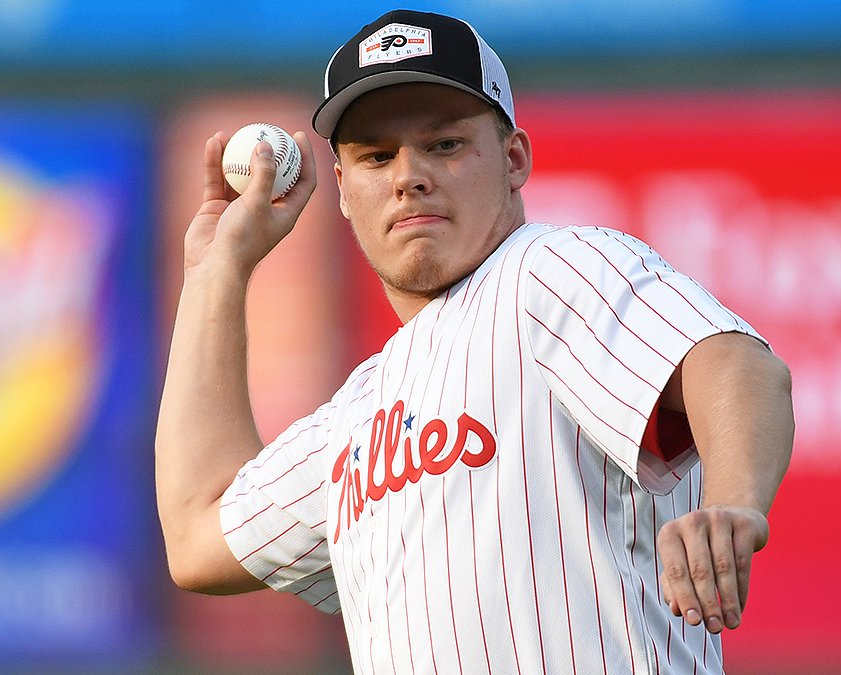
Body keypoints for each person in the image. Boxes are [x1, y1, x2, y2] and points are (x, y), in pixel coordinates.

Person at [156, 9, 793, 674]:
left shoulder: (546, 271)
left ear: (514, 159)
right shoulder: (355, 417)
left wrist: (732, 502)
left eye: (445, 145)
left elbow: (737, 364)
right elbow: (198, 536)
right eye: (377, 156)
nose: (408, 175)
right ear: (342, 189)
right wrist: (214, 272)